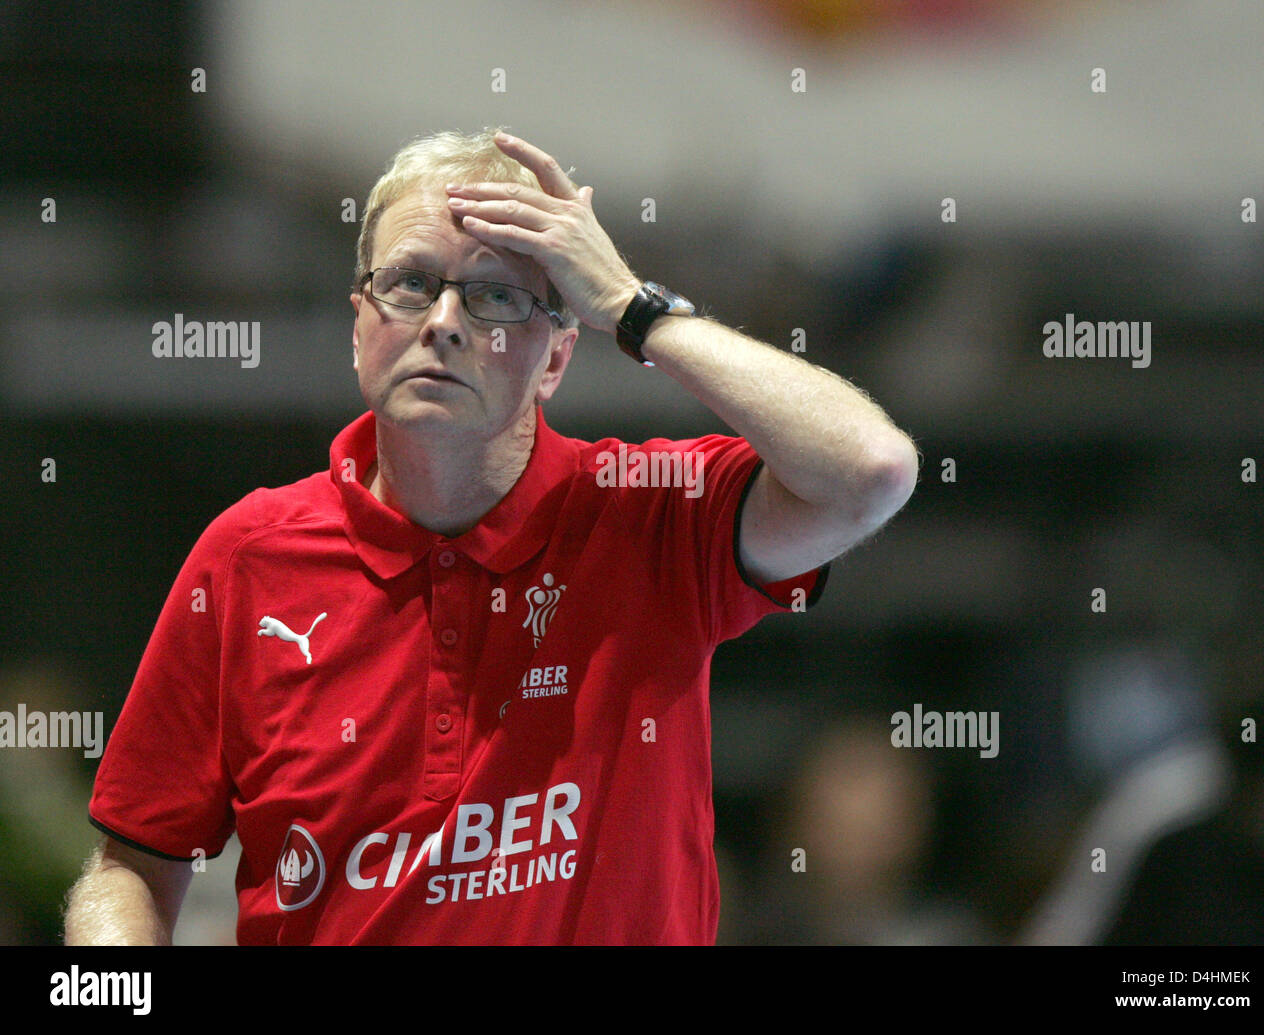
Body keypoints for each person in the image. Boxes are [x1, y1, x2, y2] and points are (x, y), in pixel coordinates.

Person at [63, 127, 918, 945]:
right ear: (360, 327)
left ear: (555, 356)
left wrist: (634, 306)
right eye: (410, 284)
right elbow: (132, 865)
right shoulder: (247, 556)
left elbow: (870, 468)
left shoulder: (648, 510)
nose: (442, 321)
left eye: (495, 295)